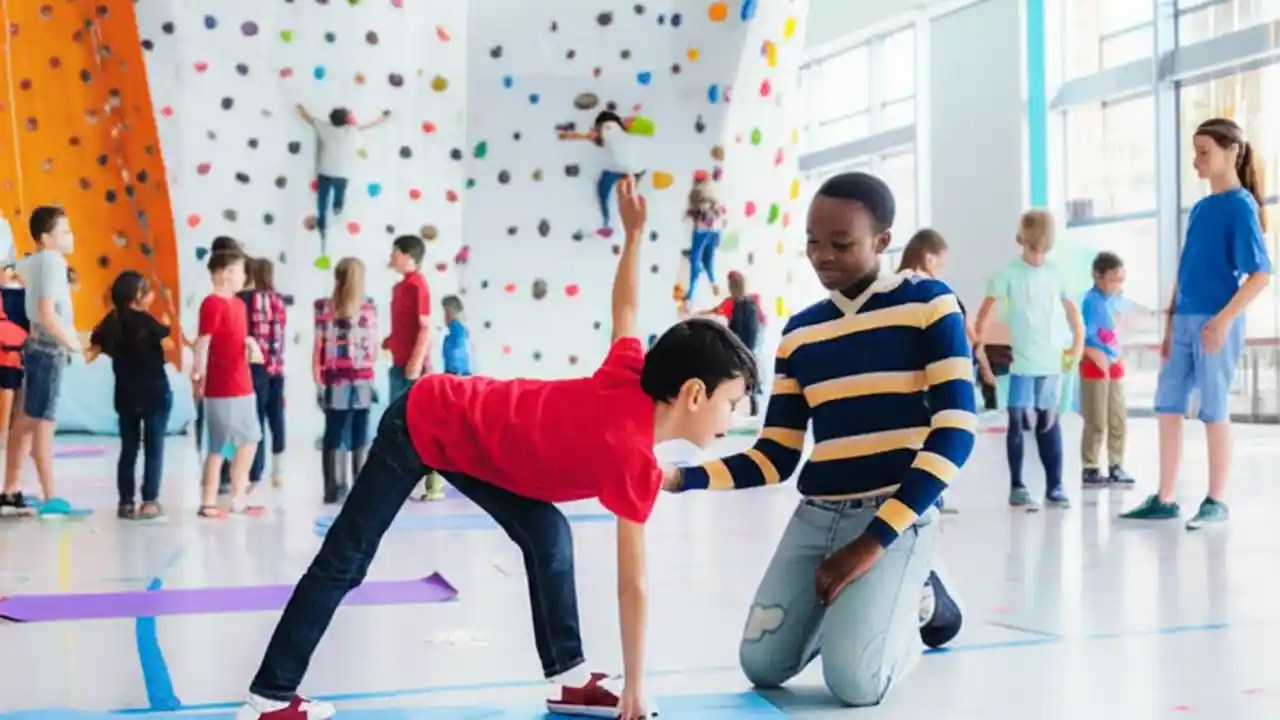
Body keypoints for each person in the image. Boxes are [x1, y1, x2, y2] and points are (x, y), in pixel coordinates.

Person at [234, 177, 756, 720]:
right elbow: (634, 586)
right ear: (694, 394)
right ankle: (269, 698)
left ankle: (569, 679)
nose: (735, 415)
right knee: (348, 557)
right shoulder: (631, 455)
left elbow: (626, 305)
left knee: (548, 533)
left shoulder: (630, 373)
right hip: (423, 419)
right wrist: (636, 687)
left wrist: (633, 235)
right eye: (733, 401)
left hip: (469, 441)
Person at [664, 173, 973, 706]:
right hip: (817, 516)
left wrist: (871, 544)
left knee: (855, 684)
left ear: (882, 242)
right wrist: (678, 477)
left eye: (841, 243)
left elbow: (955, 432)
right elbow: (776, 455)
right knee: (762, 665)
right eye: (812, 241)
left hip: (896, 516)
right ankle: (888, 600)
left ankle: (923, 601)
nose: (821, 255)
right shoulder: (801, 332)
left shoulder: (930, 303)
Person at [1122, 118, 1272, 528]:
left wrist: (1222, 322)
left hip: (1215, 323)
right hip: (1185, 321)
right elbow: (1186, 270)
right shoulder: (1202, 208)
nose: (1196, 160)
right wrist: (1170, 328)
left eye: (1204, 151)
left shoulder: (1241, 206)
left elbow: (1260, 275)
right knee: (1167, 407)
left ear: (1231, 152)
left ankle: (1215, 500)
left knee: (1213, 409)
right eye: (1195, 151)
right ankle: (1165, 497)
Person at [975, 210, 1084, 510]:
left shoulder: (1056, 273)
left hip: (1050, 363)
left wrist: (1078, 343)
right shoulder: (1008, 274)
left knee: (1048, 424)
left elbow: (1074, 314)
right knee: (1018, 422)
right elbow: (984, 317)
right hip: (1021, 364)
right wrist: (979, 349)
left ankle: (1055, 485)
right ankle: (1018, 485)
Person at [1, 207, 80, 518]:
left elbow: (13, 270)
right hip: (48, 348)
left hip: (40, 347)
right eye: (65, 232)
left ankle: (24, 490)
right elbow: (47, 312)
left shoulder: (37, 261)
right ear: (46, 238)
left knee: (34, 421)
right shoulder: (50, 261)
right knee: (37, 420)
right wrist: (71, 342)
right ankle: (32, 492)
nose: (71, 237)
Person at [87, 272, 177, 521]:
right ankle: (149, 502)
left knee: (128, 449)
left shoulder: (111, 321)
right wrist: (168, 312)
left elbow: (92, 350)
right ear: (136, 298)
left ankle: (125, 503)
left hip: (126, 395)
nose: (151, 296)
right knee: (154, 447)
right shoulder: (147, 322)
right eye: (147, 292)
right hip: (155, 393)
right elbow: (169, 345)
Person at [193, 250, 265, 519]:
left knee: (250, 439)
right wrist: (198, 375)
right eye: (239, 270)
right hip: (221, 387)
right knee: (220, 445)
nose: (244, 276)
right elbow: (204, 342)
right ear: (225, 273)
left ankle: (238, 495)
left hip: (243, 384)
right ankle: (208, 500)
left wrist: (251, 348)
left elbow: (241, 338)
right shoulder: (212, 304)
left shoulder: (239, 305)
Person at [383, 235, 443, 502]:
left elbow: (424, 327)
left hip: (411, 367)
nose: (392, 257)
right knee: (398, 423)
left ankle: (431, 483)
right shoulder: (399, 288)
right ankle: (405, 479)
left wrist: (415, 361)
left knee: (416, 424)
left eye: (396, 252)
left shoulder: (419, 286)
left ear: (409, 256)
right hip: (398, 364)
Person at [314, 258, 378, 504]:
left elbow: (318, 347)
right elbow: (373, 346)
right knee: (359, 432)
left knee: (335, 431)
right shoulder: (369, 307)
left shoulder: (324, 307)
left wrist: (318, 379)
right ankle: (359, 487)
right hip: (362, 378)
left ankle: (333, 488)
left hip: (336, 379)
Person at [295, 105, 392, 260]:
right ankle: (337, 211)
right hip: (342, 173)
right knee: (339, 197)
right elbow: (368, 126)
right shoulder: (351, 131)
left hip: (325, 171)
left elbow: (308, 118)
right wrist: (384, 118)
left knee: (322, 200)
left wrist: (300, 108)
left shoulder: (324, 128)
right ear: (346, 120)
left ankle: (323, 227)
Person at [1079, 252, 1135, 487]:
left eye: (1121, 280)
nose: (1117, 285)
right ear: (1098, 276)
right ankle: (1090, 466)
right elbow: (1082, 333)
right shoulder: (1090, 301)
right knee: (1096, 418)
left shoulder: (1118, 300)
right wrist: (1094, 354)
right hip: (1094, 364)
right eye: (1113, 280)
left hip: (1114, 363)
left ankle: (1116, 464)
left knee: (1117, 416)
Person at [557, 110, 646, 237]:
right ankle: (613, 222)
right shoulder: (622, 129)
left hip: (622, 169)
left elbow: (596, 136)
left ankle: (607, 222)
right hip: (635, 169)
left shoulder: (608, 127)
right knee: (620, 194)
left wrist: (571, 136)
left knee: (604, 192)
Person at [240, 258, 288, 488]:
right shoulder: (278, 299)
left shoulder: (250, 299)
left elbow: (253, 335)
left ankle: (254, 470)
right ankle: (278, 470)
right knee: (276, 418)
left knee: (254, 418)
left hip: (256, 367)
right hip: (277, 367)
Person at [698, 270, 764, 415]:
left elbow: (751, 335)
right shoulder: (743, 302)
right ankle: (741, 406)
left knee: (738, 380)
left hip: (741, 351)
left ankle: (743, 407)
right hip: (742, 350)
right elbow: (761, 322)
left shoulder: (740, 305)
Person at [682, 174, 727, 303]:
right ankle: (713, 282)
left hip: (701, 229)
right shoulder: (713, 191)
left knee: (695, 258)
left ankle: (691, 292)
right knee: (708, 258)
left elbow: (691, 211)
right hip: (716, 230)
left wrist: (686, 216)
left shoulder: (696, 192)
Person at [441, 295, 471, 376]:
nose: (444, 316)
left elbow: (457, 354)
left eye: (445, 312)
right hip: (456, 375)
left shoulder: (457, 330)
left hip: (457, 375)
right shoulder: (458, 330)